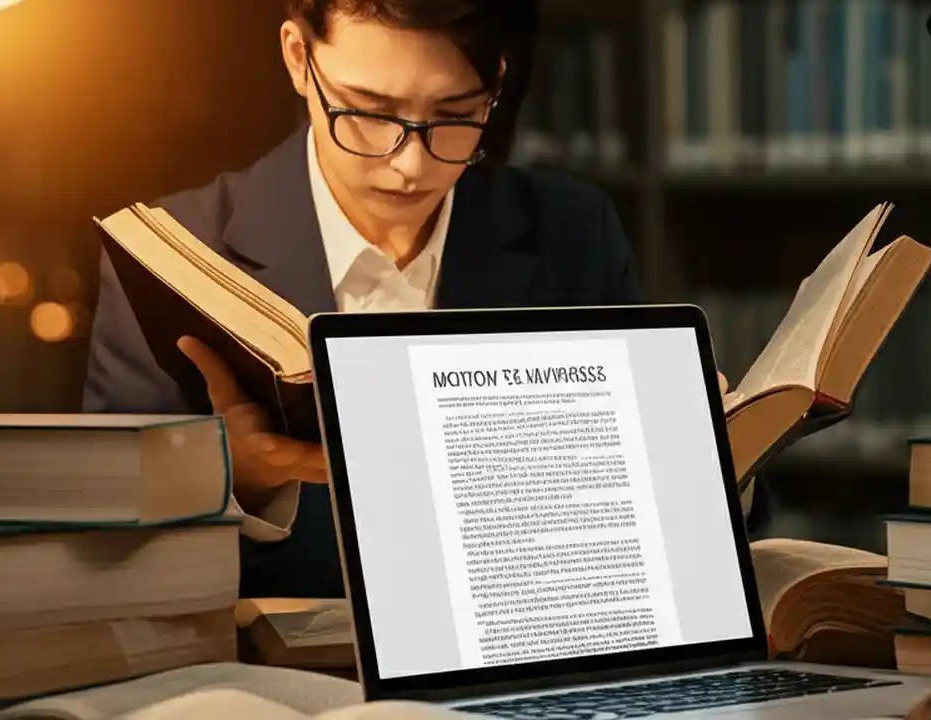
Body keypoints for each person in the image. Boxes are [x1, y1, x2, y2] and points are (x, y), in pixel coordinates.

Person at [82, 0, 732, 599]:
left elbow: (656, 538)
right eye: (366, 113)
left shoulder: (572, 234)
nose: (411, 165)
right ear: (297, 58)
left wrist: (709, 453)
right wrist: (241, 482)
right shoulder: (176, 257)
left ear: (498, 82)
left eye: (455, 116)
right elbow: (103, 561)